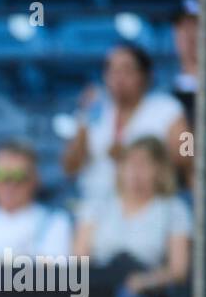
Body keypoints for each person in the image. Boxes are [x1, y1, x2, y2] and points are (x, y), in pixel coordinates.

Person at [73, 137, 191, 297]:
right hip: (102, 283)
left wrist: (145, 281)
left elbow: (179, 270)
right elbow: (79, 259)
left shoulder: (172, 209)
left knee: (125, 292)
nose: (136, 173)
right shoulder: (98, 206)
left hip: (147, 285)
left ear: (160, 169)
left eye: (144, 164)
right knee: (110, 290)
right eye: (130, 164)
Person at [62, 44, 188, 205]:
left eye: (127, 70)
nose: (118, 78)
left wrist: (134, 158)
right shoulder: (94, 108)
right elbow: (69, 167)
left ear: (145, 76)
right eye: (112, 71)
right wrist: (84, 119)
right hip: (96, 204)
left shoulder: (168, 107)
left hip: (150, 204)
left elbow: (188, 153)